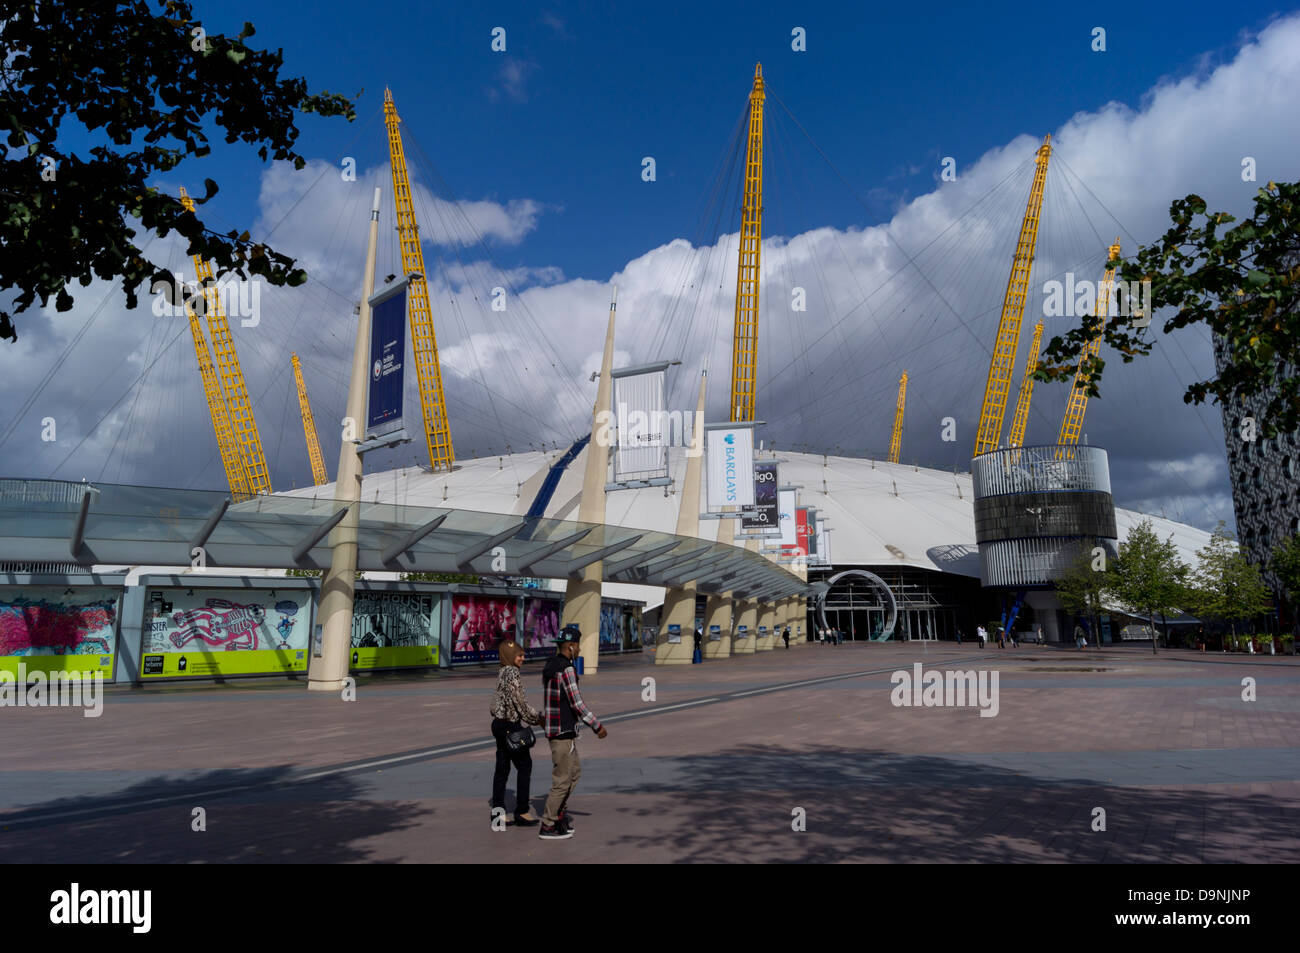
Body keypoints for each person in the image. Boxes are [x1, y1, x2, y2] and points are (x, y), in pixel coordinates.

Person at [539, 624, 607, 840]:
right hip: (562, 732)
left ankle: (559, 813)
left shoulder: (552, 665)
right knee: (562, 779)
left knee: (574, 773)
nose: (579, 650)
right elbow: (577, 703)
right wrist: (597, 726)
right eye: (577, 646)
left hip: (560, 730)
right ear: (571, 646)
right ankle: (549, 824)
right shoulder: (566, 669)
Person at [490, 640, 542, 827]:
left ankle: (497, 815)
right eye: (519, 655)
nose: (522, 658)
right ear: (510, 656)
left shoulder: (502, 671)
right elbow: (520, 702)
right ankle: (522, 811)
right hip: (510, 727)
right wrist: (538, 719)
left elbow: (496, 702)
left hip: (499, 724)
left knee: (502, 770)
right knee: (525, 766)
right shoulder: (512, 672)